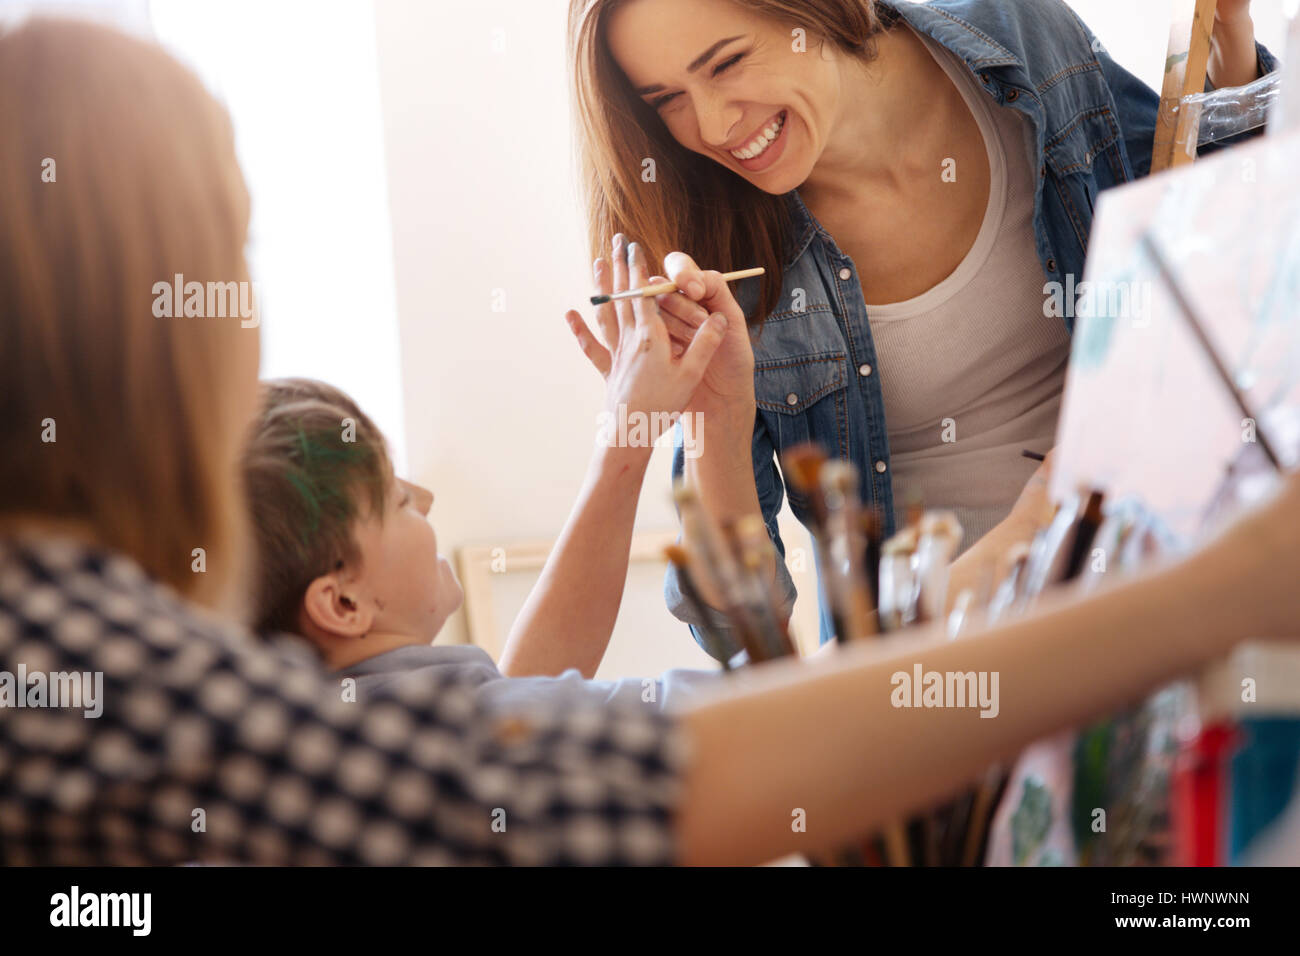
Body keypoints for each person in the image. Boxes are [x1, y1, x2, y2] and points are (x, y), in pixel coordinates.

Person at [3, 15, 1299, 867]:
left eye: (726, 61)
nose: (711, 122)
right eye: (229, 251)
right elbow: (664, 762)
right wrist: (1205, 587)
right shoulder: (104, 687)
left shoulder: (151, 661)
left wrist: (639, 432)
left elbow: (520, 691)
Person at [565, 0, 1278, 653]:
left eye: (726, 63)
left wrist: (1232, 54)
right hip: (929, 685)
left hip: (1158, 591)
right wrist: (706, 419)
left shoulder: (1021, 44)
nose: (714, 126)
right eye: (666, 100)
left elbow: (1220, 242)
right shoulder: (718, 247)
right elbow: (738, 632)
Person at [241, 377, 717, 711]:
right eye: (398, 499)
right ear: (343, 603)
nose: (426, 501)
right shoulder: (478, 725)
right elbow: (730, 721)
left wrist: (626, 436)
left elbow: (525, 693)